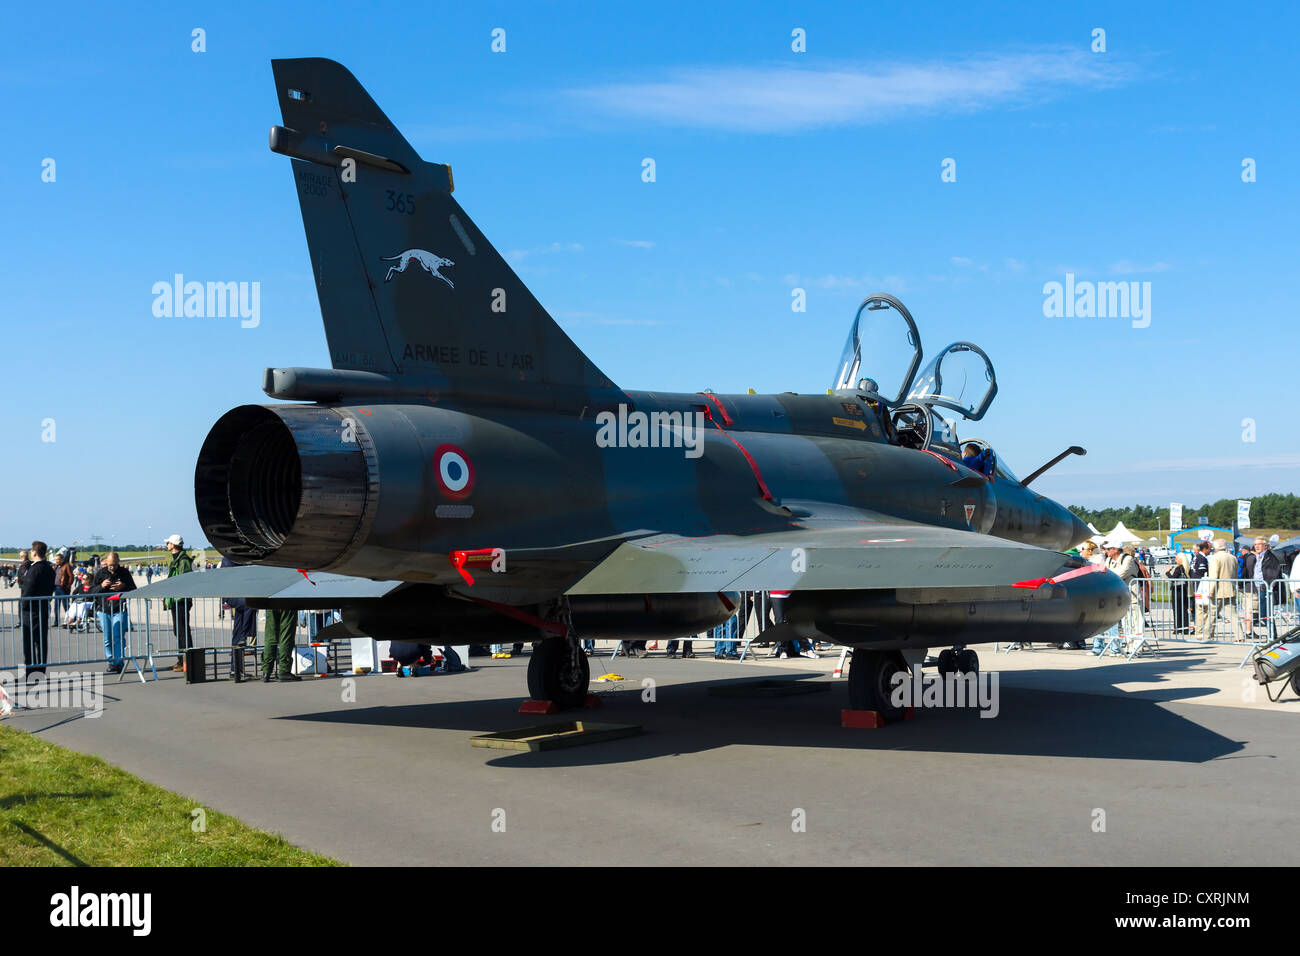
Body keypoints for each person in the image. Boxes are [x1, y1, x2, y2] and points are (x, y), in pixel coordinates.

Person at [91, 552, 136, 673]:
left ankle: (119, 662)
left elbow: (134, 589)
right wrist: (101, 585)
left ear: (118, 562)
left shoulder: (124, 572)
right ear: (106, 562)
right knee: (108, 638)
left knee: (118, 636)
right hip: (104, 610)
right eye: (110, 565)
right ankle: (110, 661)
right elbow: (91, 591)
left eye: (115, 565)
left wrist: (123, 586)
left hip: (119, 609)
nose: (112, 567)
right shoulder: (100, 573)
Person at [19, 541, 55, 679]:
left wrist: (23, 605)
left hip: (31, 609)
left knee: (29, 641)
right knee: (41, 641)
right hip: (43, 606)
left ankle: (30, 671)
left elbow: (28, 589)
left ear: (34, 552)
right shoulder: (49, 568)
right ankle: (40, 671)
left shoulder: (35, 569)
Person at [162, 534, 194, 671]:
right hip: (175, 599)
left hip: (181, 599)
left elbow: (185, 579)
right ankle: (181, 659)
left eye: (168, 542)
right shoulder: (176, 559)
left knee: (183, 631)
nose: (167, 544)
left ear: (173, 545)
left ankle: (187, 661)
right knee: (178, 631)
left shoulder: (183, 560)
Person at [1241, 536, 1283, 642]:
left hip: (1266, 589)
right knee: (1265, 614)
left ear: (1266, 546)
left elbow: (1273, 573)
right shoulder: (1258, 556)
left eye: (1259, 544)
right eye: (1255, 544)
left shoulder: (1270, 557)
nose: (1257, 546)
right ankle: (1272, 636)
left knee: (1266, 614)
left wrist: (1266, 585)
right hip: (1260, 589)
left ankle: (1272, 637)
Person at [1198, 540, 1241, 641]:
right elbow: (1235, 574)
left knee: (1212, 614)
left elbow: (1214, 576)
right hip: (1230, 589)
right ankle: (1240, 636)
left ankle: (1207, 636)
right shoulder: (1233, 558)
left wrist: (1210, 591)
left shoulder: (1215, 558)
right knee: (1233, 615)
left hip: (1218, 590)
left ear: (1216, 548)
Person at [261, 607, 299, 681]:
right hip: (287, 601)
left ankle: (266, 671)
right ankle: (284, 671)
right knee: (286, 636)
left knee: (270, 636)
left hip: (271, 602)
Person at [1164, 553, 1193, 634]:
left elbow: (1173, 579)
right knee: (1184, 610)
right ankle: (1185, 628)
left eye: (1177, 559)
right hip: (1184, 590)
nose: (1176, 560)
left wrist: (1168, 573)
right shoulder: (1187, 568)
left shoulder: (1178, 568)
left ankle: (1177, 628)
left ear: (1181, 560)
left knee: (1177, 610)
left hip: (1177, 591)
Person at [52, 550, 73, 623]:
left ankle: (71, 619)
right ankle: (56, 621)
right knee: (56, 606)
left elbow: (71, 577)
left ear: (62, 559)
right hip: (57, 588)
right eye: (56, 559)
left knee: (65, 605)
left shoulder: (66, 566)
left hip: (64, 588)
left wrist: (68, 586)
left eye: (58, 559)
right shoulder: (56, 567)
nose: (56, 561)